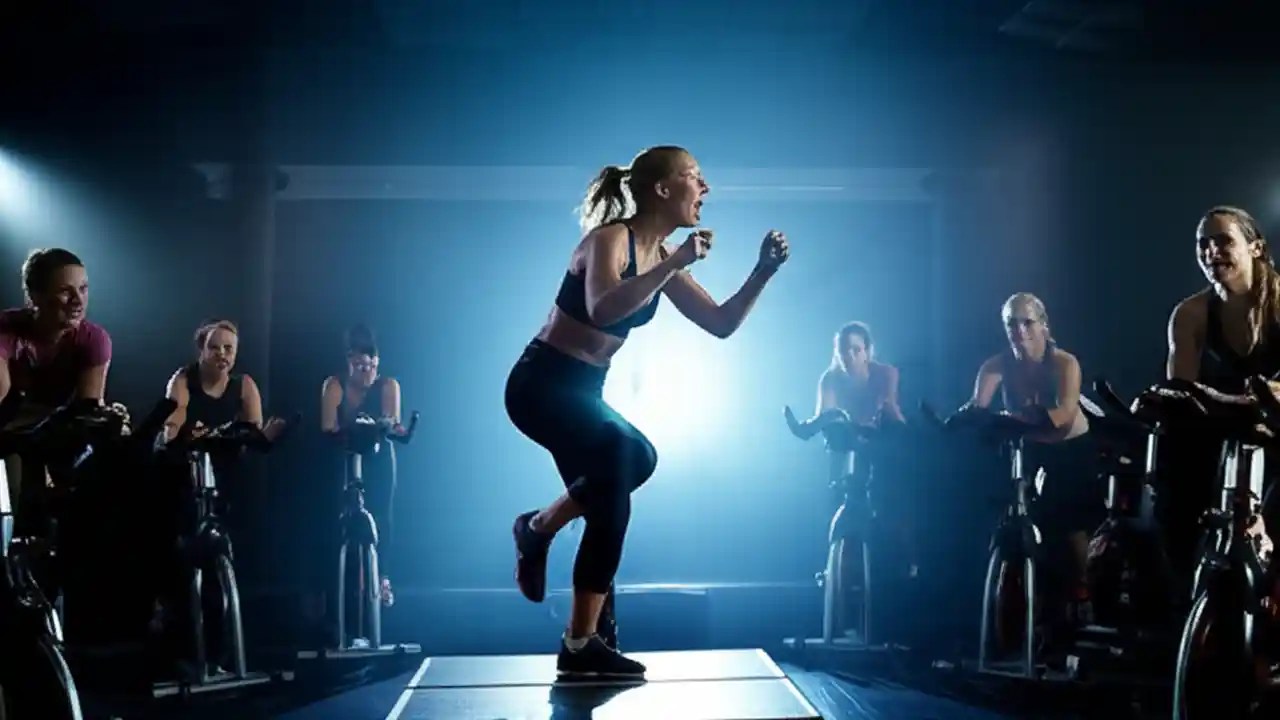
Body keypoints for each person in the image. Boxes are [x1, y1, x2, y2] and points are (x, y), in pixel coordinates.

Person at [505, 145, 789, 678]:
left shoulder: (661, 260)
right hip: (540, 386)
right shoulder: (609, 240)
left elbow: (722, 322)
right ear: (663, 189)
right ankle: (547, 553)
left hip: (585, 392)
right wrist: (677, 261)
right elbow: (602, 307)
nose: (705, 189)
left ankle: (578, 631)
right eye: (694, 178)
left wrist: (762, 272)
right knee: (633, 454)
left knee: (611, 502)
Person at [962, 292, 1099, 631]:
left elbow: (1065, 414)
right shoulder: (996, 365)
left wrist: (1022, 420)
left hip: (1069, 446)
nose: (1020, 330)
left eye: (1027, 322)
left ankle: (1084, 592)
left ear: (1043, 325)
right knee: (1010, 510)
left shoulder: (1064, 363)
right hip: (1028, 446)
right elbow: (977, 405)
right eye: (1012, 323)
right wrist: (963, 419)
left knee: (1068, 526)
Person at [1166, 205, 1279, 578]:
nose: (1211, 251)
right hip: (1221, 426)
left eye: (1223, 241)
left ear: (1256, 248)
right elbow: (1180, 391)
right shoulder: (1191, 314)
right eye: (1203, 244)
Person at [0, 248, 112, 522]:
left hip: (56, 427)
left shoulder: (93, 339)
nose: (78, 301)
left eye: (83, 289)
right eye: (65, 291)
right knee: (14, 483)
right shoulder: (4, 330)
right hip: (7, 425)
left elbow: (87, 412)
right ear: (35, 296)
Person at [320, 324, 405, 607]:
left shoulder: (387, 385)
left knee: (382, 513)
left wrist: (394, 429)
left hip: (377, 456)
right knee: (333, 515)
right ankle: (328, 586)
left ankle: (383, 578)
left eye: (371, 365)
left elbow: (391, 421)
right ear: (349, 363)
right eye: (359, 365)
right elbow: (328, 426)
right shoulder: (334, 385)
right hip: (343, 454)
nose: (365, 371)